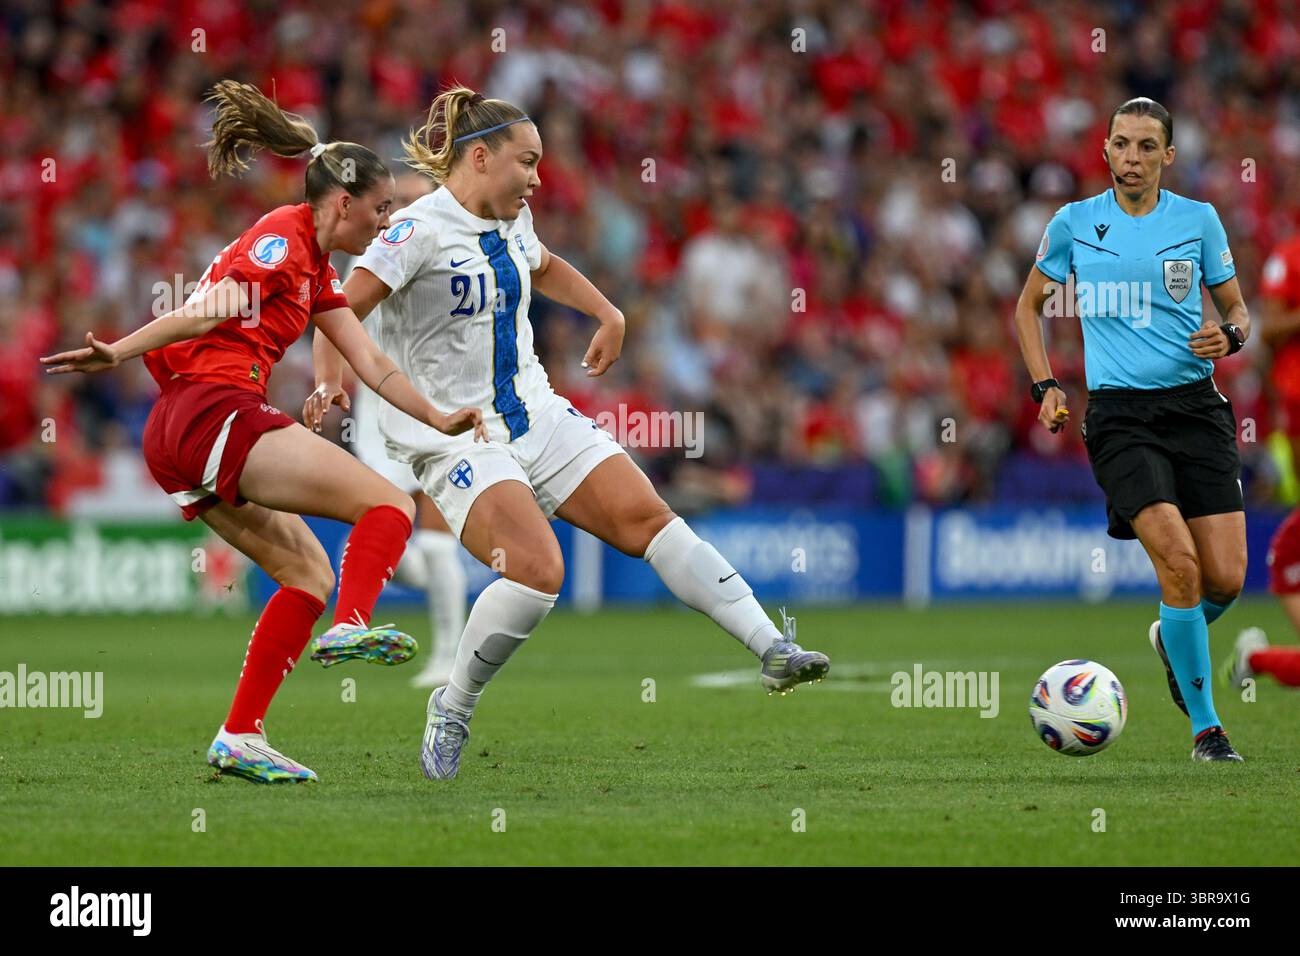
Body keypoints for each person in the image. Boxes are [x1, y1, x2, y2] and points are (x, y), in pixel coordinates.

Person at [306, 86, 831, 781]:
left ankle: (772, 648)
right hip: (458, 437)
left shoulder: (511, 217)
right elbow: (335, 305)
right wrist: (329, 382)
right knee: (538, 569)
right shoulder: (416, 230)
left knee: (649, 517)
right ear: (482, 157)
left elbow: (544, 266)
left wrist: (608, 312)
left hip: (537, 411)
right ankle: (453, 705)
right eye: (527, 161)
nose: (538, 176)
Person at [40, 80, 485, 783]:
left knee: (305, 574)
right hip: (211, 409)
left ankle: (240, 733)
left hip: (184, 430)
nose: (384, 222)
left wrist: (438, 417)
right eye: (380, 209)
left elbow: (368, 361)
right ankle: (353, 622)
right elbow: (205, 311)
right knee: (388, 505)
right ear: (343, 203)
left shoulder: (317, 273)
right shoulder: (283, 237)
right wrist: (117, 352)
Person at [1013, 96, 1250, 762]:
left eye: (1148, 147)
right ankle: (1208, 730)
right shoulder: (1074, 223)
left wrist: (1228, 336)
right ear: (1106, 150)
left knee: (1226, 579)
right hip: (1119, 417)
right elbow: (1027, 310)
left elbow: (1238, 309)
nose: (1133, 158)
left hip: (1196, 410)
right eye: (1122, 144)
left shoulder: (1198, 221)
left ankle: (1173, 636)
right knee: (1179, 566)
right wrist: (1047, 385)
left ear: (1168, 156)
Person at [328, 170, 466, 689]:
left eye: (414, 199)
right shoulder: (366, 256)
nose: (401, 210)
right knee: (386, 537)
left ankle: (449, 656)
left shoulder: (446, 255)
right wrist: (328, 380)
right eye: (394, 202)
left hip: (437, 410)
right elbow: (336, 322)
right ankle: (418, 608)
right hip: (379, 419)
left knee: (435, 544)